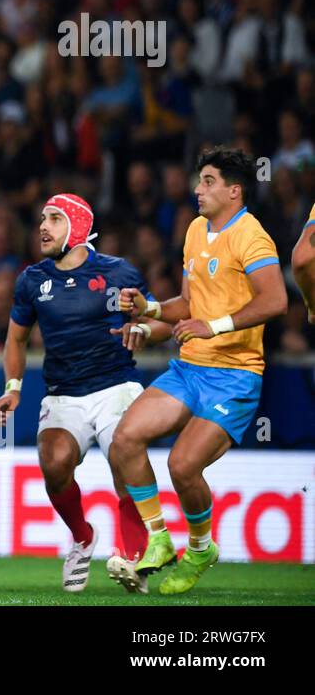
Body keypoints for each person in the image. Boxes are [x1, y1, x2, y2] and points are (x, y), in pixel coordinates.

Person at [112, 147, 287, 595]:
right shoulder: (195, 230)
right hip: (191, 368)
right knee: (126, 438)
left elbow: (275, 301)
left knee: (183, 466)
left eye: (208, 181)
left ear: (234, 190)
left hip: (235, 375)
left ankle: (201, 547)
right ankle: (158, 541)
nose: (197, 189)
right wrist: (149, 307)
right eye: (199, 180)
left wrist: (214, 326)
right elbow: (188, 305)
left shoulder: (252, 237)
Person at [0, 193, 170, 594]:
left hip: (116, 387)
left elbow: (163, 322)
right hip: (63, 395)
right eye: (41, 219)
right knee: (53, 463)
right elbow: (16, 340)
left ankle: (133, 558)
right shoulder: (32, 280)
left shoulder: (119, 272)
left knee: (125, 464)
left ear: (75, 226)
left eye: (54, 219)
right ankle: (83, 537)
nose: (42, 226)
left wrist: (142, 330)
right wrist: (13, 388)